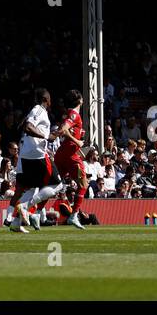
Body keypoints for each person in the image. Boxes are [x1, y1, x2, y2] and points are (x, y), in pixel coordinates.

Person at [9, 89, 62, 233]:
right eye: (50, 99)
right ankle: (26, 207)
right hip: (36, 155)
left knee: (32, 188)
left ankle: (15, 221)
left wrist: (49, 136)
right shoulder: (39, 110)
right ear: (46, 99)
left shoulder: (38, 111)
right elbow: (28, 126)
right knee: (57, 185)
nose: (51, 102)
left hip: (28, 155)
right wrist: (45, 137)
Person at [53, 90, 88, 229]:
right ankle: (74, 215)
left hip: (63, 152)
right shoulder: (74, 114)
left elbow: (64, 130)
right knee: (83, 185)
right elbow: (64, 129)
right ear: (79, 100)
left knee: (53, 186)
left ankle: (37, 212)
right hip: (70, 156)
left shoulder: (68, 113)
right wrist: (78, 142)